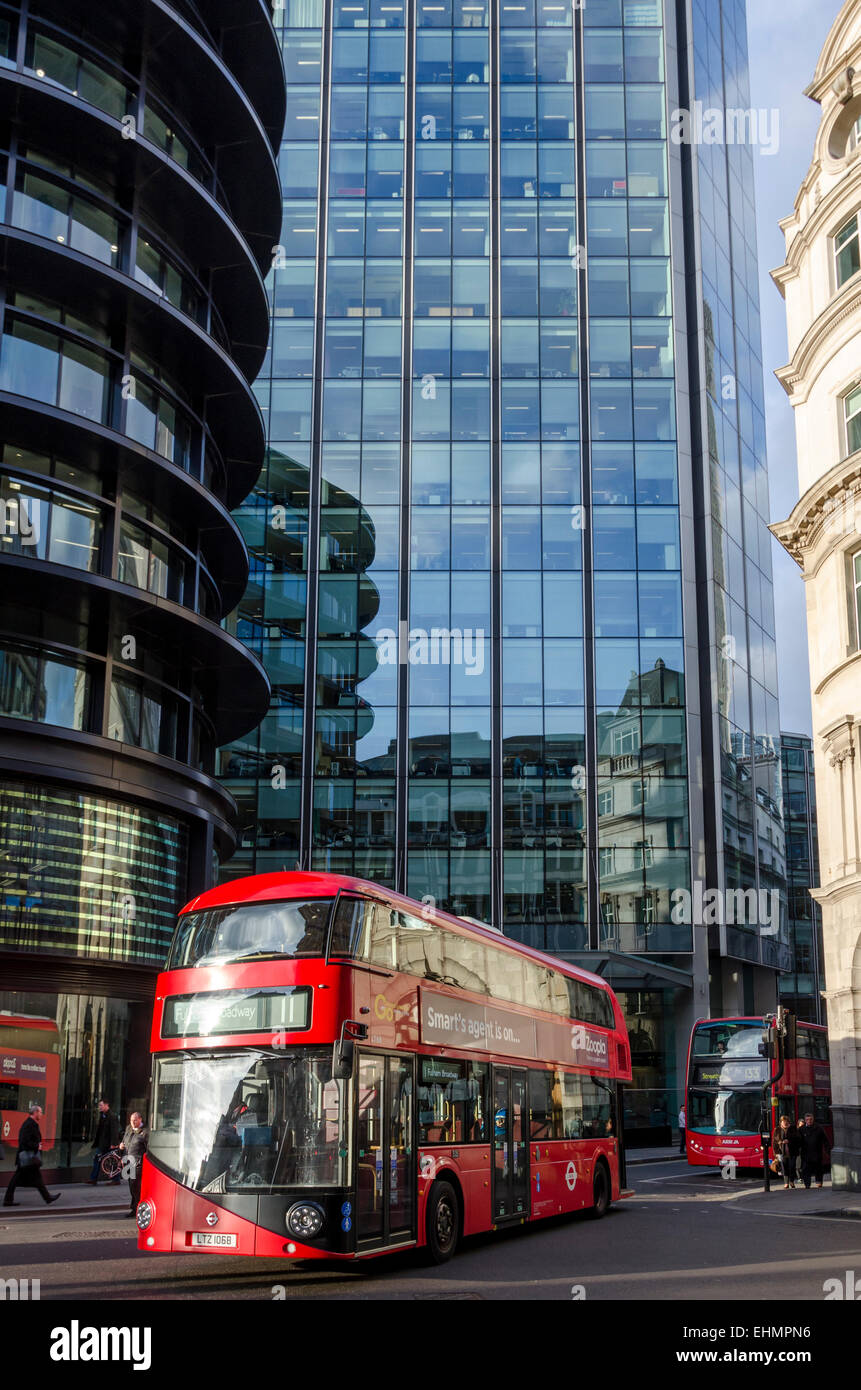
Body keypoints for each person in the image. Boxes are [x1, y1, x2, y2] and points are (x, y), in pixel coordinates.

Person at [2, 1104, 61, 1207]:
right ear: (35, 1113)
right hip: (27, 1158)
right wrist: (36, 1146)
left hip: (28, 1158)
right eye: (40, 1112)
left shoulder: (30, 1123)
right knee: (20, 1179)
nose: (41, 1114)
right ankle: (47, 1198)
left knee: (34, 1179)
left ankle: (47, 1198)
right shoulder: (29, 1124)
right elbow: (24, 1141)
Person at [118, 1111, 149, 1217]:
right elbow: (125, 1141)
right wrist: (121, 1147)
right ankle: (135, 1208)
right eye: (131, 1120)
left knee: (136, 1186)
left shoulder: (145, 1132)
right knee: (131, 1186)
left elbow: (148, 1149)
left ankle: (138, 1209)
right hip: (128, 1161)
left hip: (138, 1163)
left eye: (135, 1120)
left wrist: (144, 1161)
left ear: (140, 1119)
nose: (132, 1122)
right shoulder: (128, 1128)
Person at [88, 1098, 121, 1184]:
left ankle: (116, 1179)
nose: (99, 1107)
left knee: (112, 1161)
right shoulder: (103, 1115)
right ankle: (93, 1178)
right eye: (99, 1105)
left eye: (101, 1105)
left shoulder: (112, 1116)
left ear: (107, 1105)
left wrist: (114, 1144)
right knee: (97, 1159)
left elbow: (114, 1131)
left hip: (109, 1144)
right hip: (102, 1144)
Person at [798, 1112, 831, 1189]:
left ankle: (819, 1181)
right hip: (805, 1152)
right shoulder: (801, 1129)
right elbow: (798, 1141)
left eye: (810, 1119)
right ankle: (807, 1184)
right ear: (805, 1120)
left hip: (817, 1151)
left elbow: (825, 1140)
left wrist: (827, 1150)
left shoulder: (819, 1128)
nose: (809, 1121)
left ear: (813, 1119)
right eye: (807, 1119)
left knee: (818, 1168)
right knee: (806, 1169)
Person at [773, 1114, 801, 1189]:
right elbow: (774, 1142)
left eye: (786, 1121)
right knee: (784, 1168)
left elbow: (798, 1140)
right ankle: (786, 1183)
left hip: (792, 1152)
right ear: (780, 1122)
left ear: (789, 1122)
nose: (785, 1123)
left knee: (792, 1167)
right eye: (783, 1121)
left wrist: (789, 1141)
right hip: (782, 1152)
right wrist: (776, 1153)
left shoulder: (793, 1129)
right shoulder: (777, 1130)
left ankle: (791, 1181)